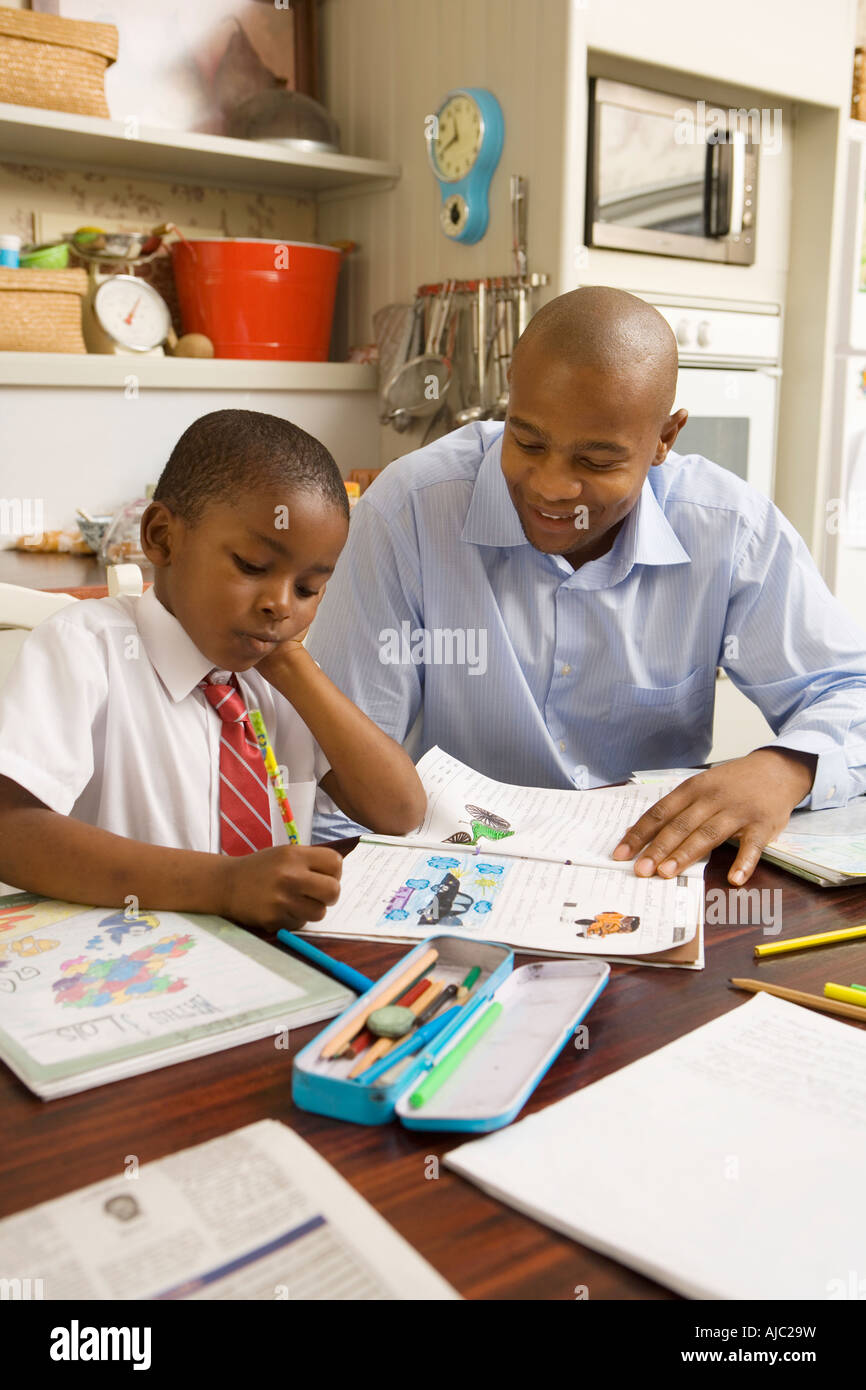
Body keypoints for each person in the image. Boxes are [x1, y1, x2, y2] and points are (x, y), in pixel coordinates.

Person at [307, 287, 866, 888]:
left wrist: (784, 768)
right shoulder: (410, 511)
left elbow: (847, 689)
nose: (551, 487)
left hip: (647, 882)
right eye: (527, 442)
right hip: (453, 872)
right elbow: (338, 771)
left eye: (596, 463)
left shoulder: (730, 529)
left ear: (664, 440)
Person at [0, 410, 426, 931]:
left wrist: (293, 666)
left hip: (262, 966)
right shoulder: (86, 648)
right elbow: (10, 831)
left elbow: (399, 811)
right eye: (251, 567)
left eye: (309, 588)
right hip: (125, 963)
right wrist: (223, 885)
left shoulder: (277, 681)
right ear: (162, 538)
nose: (280, 604)